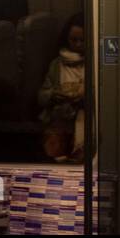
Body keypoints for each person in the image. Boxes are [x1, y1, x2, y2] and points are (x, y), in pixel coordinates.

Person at [38, 13, 86, 160]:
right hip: (60, 120)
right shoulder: (56, 65)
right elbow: (41, 96)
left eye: (82, 40)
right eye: (74, 40)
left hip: (85, 120)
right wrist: (53, 94)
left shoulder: (95, 63)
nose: (77, 45)